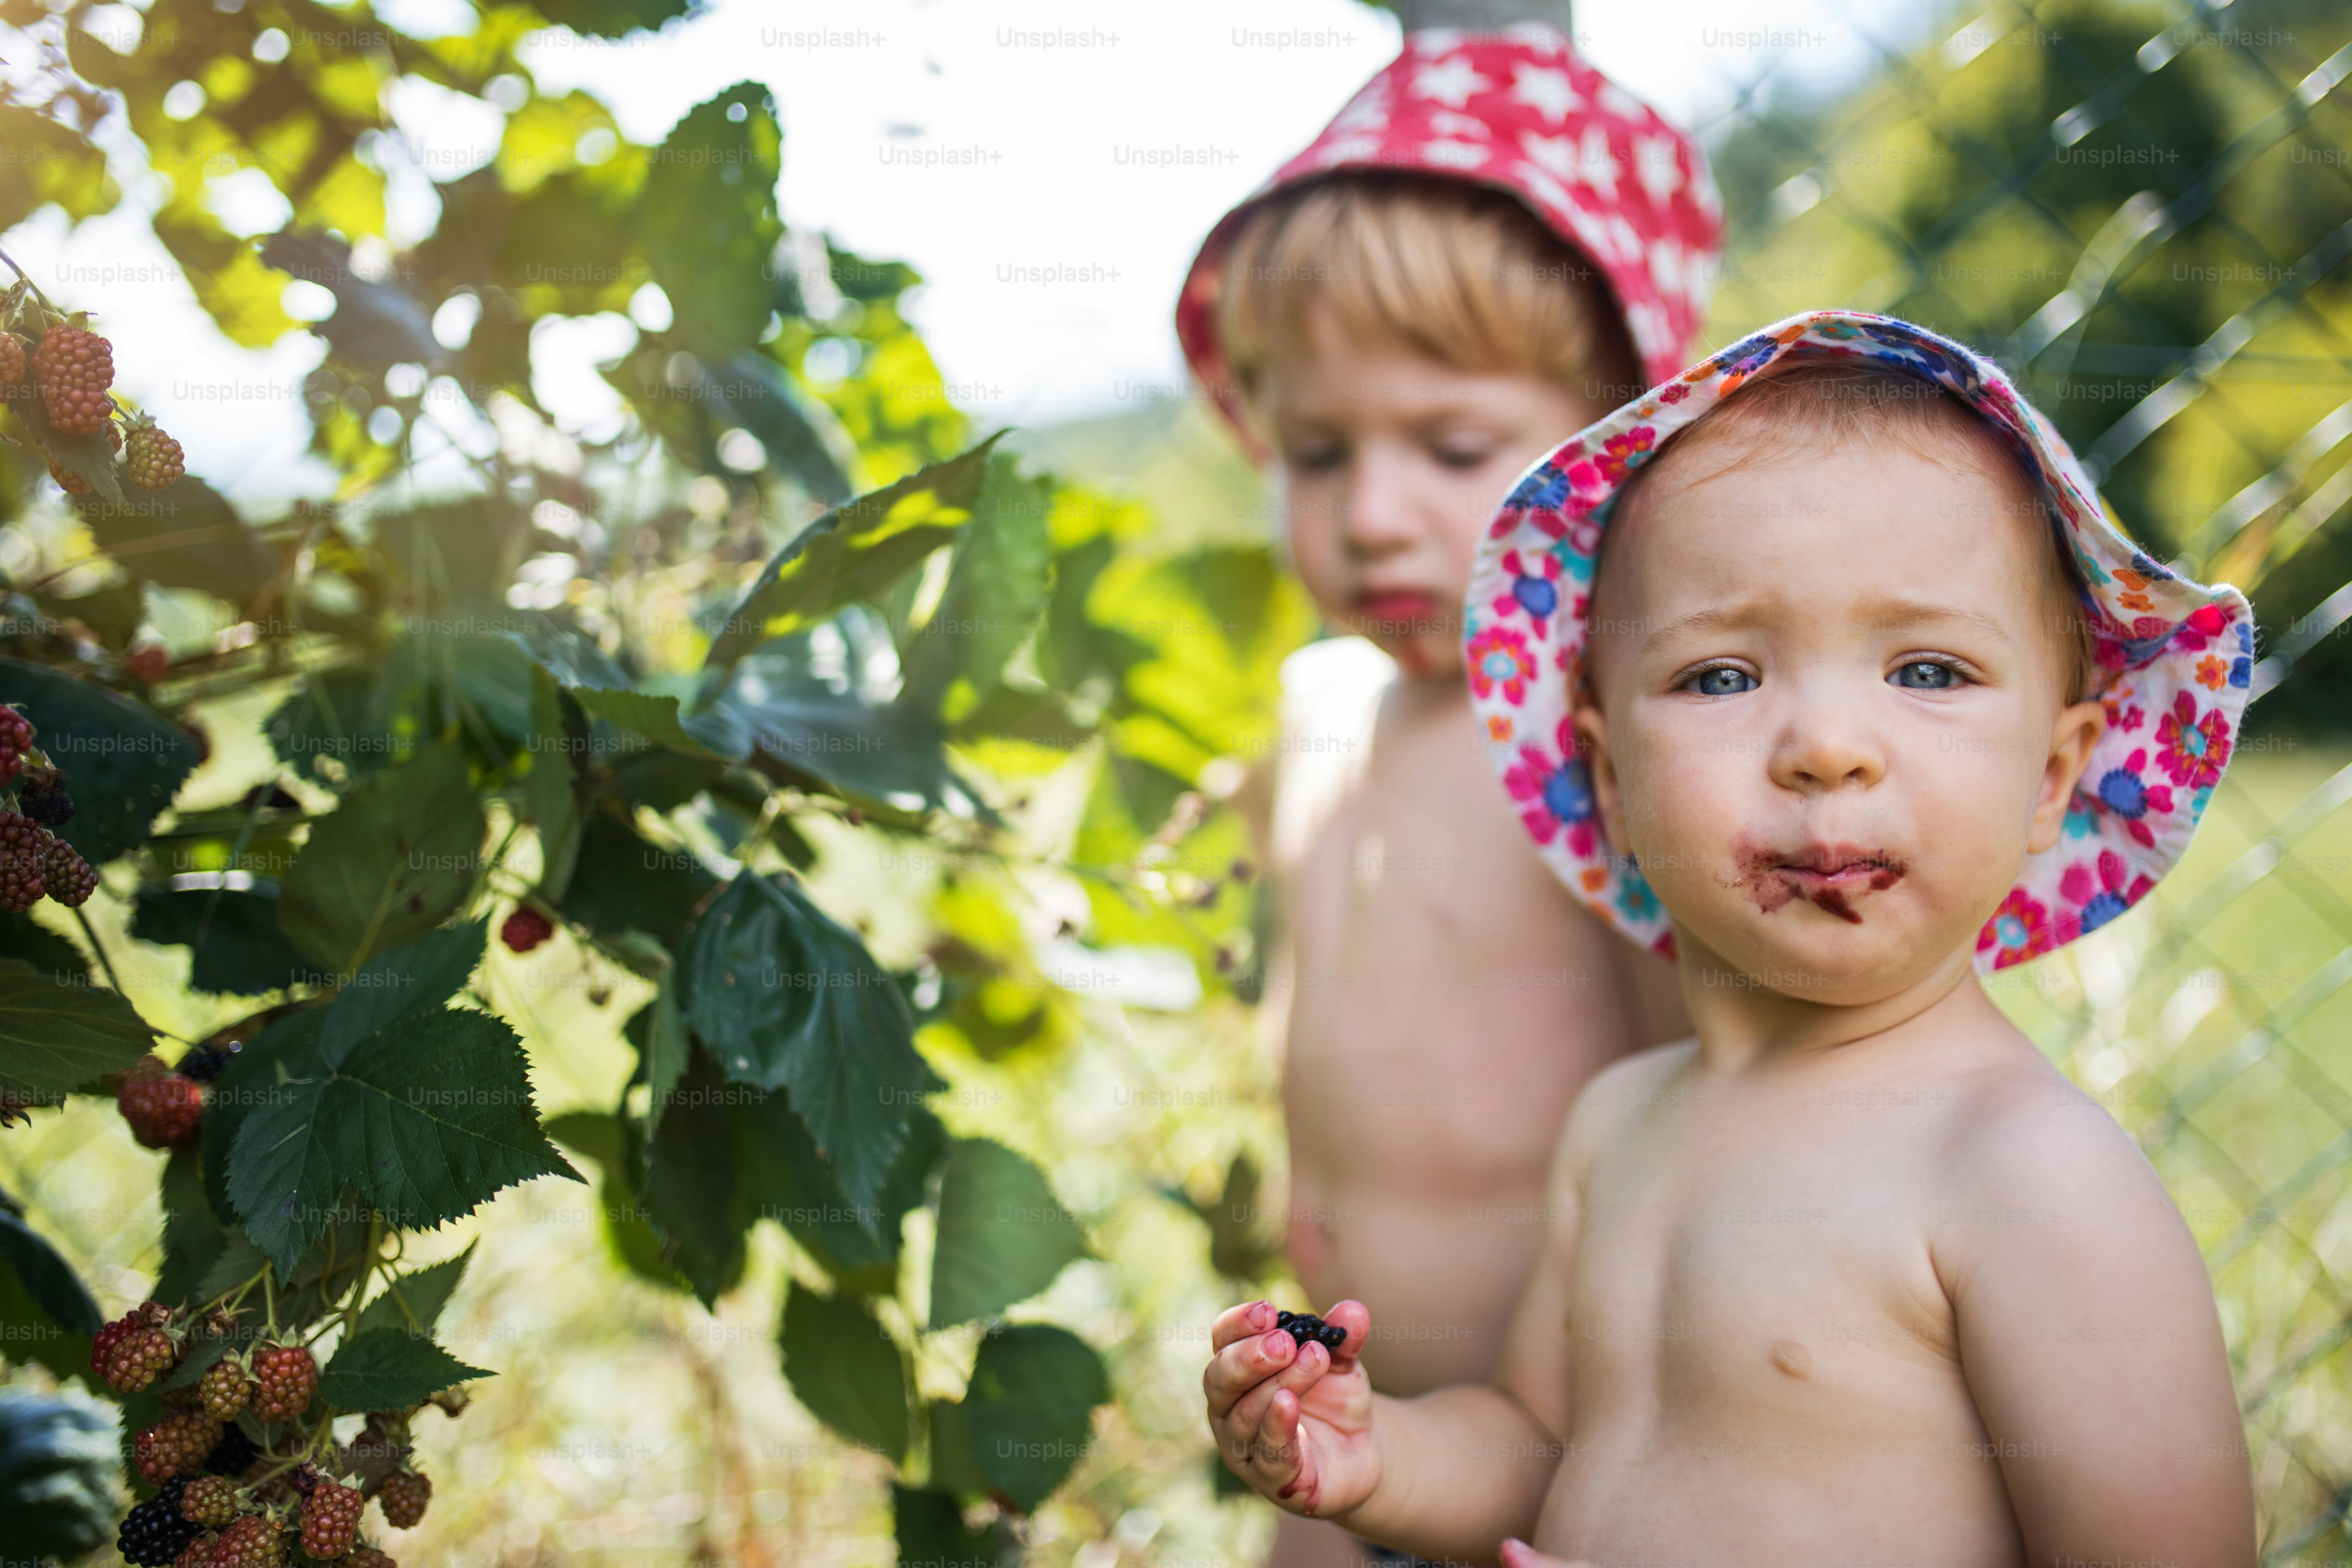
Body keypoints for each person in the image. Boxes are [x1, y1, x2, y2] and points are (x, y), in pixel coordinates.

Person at [1201, 311, 2260, 1565]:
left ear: (2055, 773)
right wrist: (1385, 1462)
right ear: (1608, 782)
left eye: (1926, 671)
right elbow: (1542, 1448)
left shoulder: (2028, 1180)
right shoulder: (1622, 1123)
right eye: (1720, 677)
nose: (1826, 744)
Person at [1175, 29, 1721, 1567]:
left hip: (1554, 1451)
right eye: (1318, 451)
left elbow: (1708, 1090)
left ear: (1617, 430)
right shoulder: (1322, 705)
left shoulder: (1592, 748)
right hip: (1339, 1409)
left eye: (1456, 446)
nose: (1373, 516)